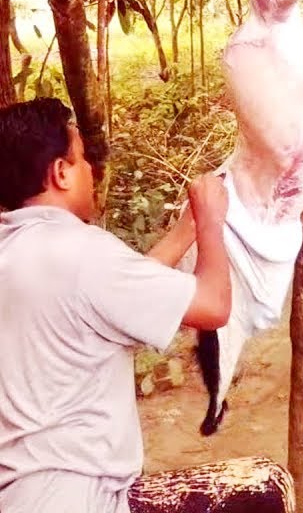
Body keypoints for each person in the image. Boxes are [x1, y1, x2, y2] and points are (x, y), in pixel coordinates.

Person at [0, 98, 233, 512]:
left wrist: (187, 231)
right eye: (84, 159)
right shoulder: (82, 251)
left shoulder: (16, 251)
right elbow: (214, 306)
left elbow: (111, 295)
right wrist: (213, 220)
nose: (92, 170)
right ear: (60, 173)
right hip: (71, 496)